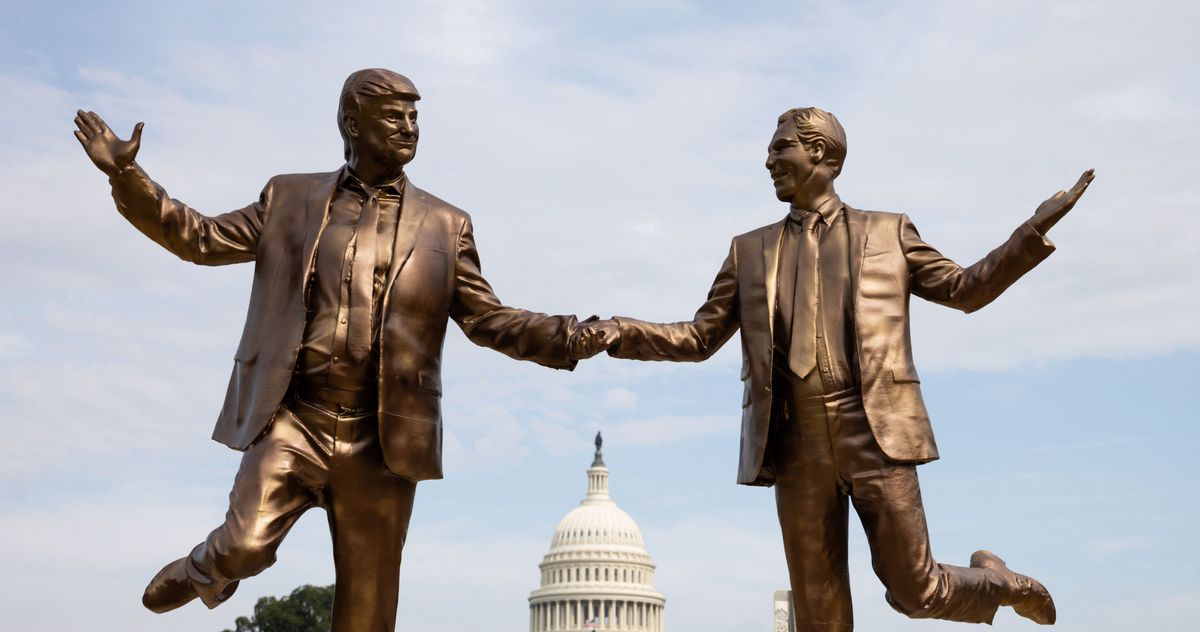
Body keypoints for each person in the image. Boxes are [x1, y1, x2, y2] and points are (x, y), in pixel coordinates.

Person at [74, 68, 592, 632]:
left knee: (367, 621)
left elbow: (490, 320)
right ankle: (207, 566)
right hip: (296, 419)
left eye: (415, 116)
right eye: (395, 116)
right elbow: (199, 238)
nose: (410, 127)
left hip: (382, 441)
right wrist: (127, 175)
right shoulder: (289, 198)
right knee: (245, 545)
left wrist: (577, 334)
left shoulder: (447, 224)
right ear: (353, 122)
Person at [572, 107, 1093, 629]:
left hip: (874, 431)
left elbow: (965, 289)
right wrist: (619, 331)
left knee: (917, 591)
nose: (768, 161)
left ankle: (999, 582)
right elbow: (698, 337)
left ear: (819, 153)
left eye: (780, 149)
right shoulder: (749, 250)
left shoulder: (888, 232)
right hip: (794, 440)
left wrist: (1032, 230)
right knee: (819, 614)